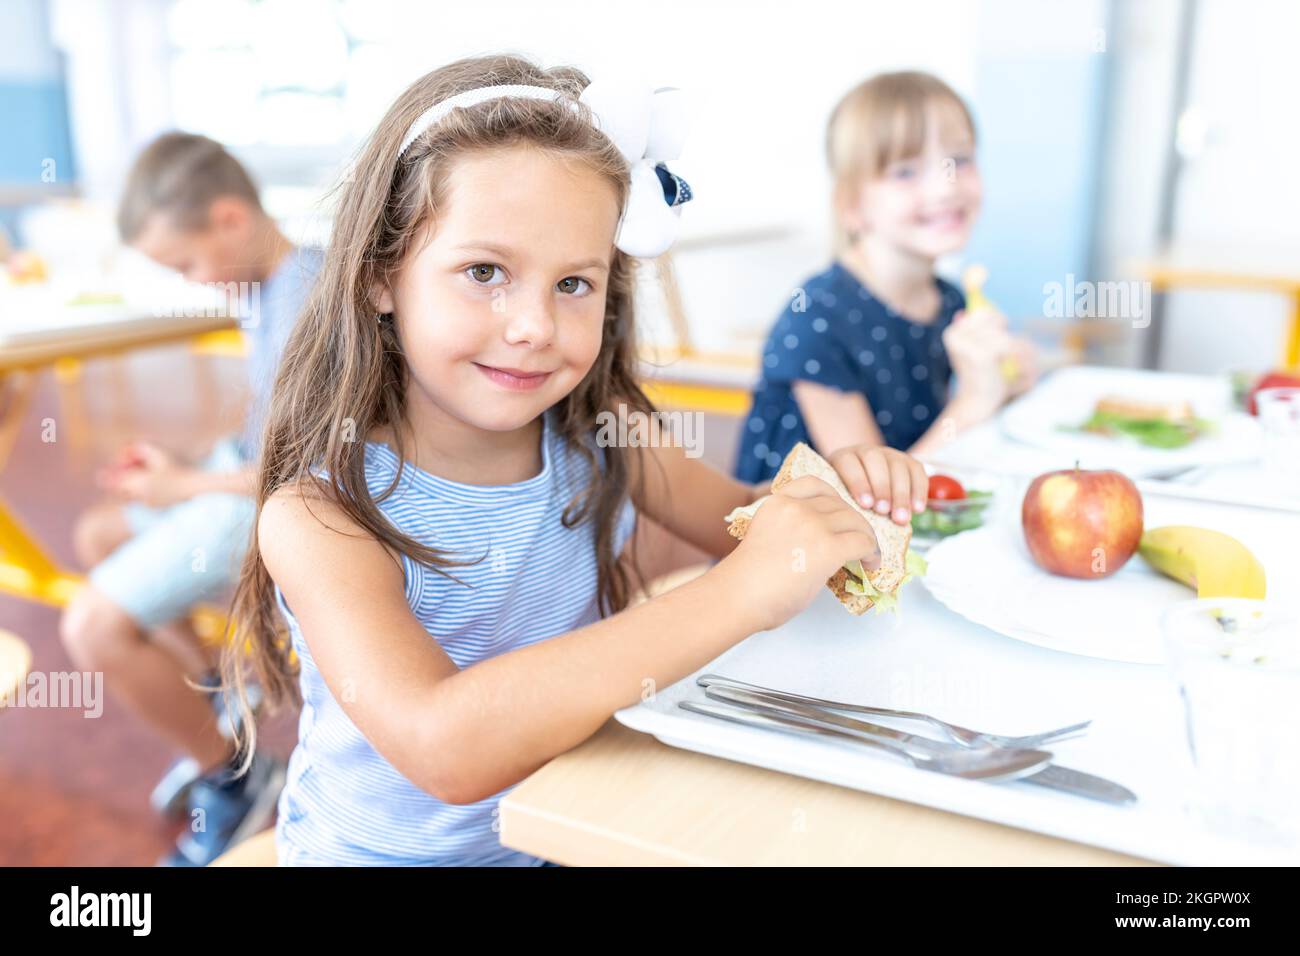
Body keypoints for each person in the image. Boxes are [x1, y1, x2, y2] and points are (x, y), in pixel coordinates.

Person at [221, 54, 930, 866]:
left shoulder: (600, 428)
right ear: (383, 277)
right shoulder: (322, 517)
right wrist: (740, 595)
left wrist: (842, 492)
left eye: (573, 284)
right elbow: (444, 743)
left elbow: (743, 523)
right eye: (484, 272)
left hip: (572, 826)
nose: (533, 324)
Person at [59, 132, 323, 865]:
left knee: (95, 628)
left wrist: (183, 486)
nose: (191, 280)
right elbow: (265, 423)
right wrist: (182, 466)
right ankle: (217, 710)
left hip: (281, 503)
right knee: (102, 532)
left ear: (231, 220)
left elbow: (300, 473)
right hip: (244, 474)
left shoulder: (306, 298)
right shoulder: (269, 284)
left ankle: (238, 777)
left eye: (186, 263)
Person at [735, 71, 1036, 493]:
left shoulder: (949, 301)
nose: (945, 187)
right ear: (852, 205)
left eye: (959, 161)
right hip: (805, 545)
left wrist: (1005, 388)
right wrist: (972, 404)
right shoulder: (817, 318)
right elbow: (872, 498)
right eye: (906, 171)